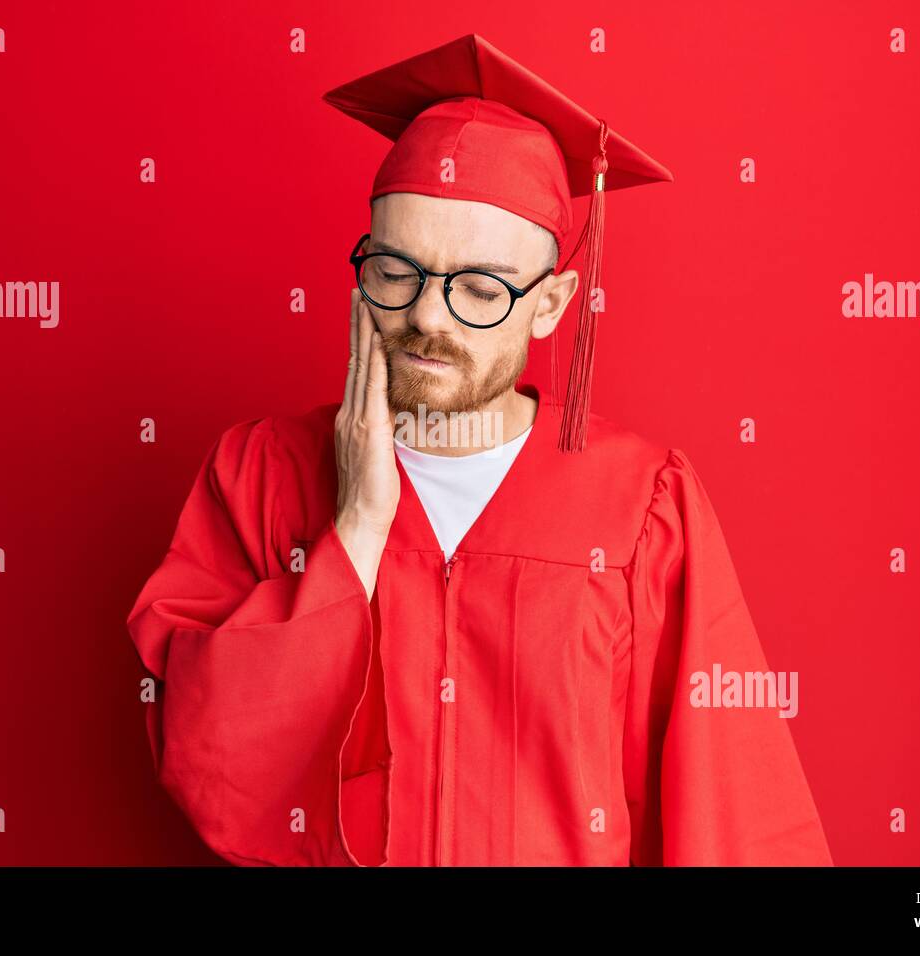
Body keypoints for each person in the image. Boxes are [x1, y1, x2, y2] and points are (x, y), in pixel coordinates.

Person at [126, 33, 833, 866]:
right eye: (397, 271)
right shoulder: (260, 475)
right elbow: (209, 757)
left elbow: (731, 804)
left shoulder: (644, 503)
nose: (430, 316)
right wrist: (353, 529)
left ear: (551, 303)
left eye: (480, 288)